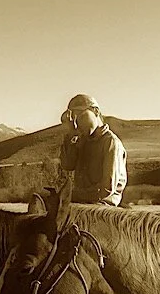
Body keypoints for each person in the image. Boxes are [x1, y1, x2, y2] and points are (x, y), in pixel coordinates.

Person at [32, 94, 125, 230]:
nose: (76, 124)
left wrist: (71, 195)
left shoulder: (110, 142)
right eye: (73, 119)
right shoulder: (82, 141)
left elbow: (106, 189)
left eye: (80, 117)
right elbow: (67, 165)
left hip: (102, 208)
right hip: (81, 204)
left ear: (96, 111)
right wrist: (71, 133)